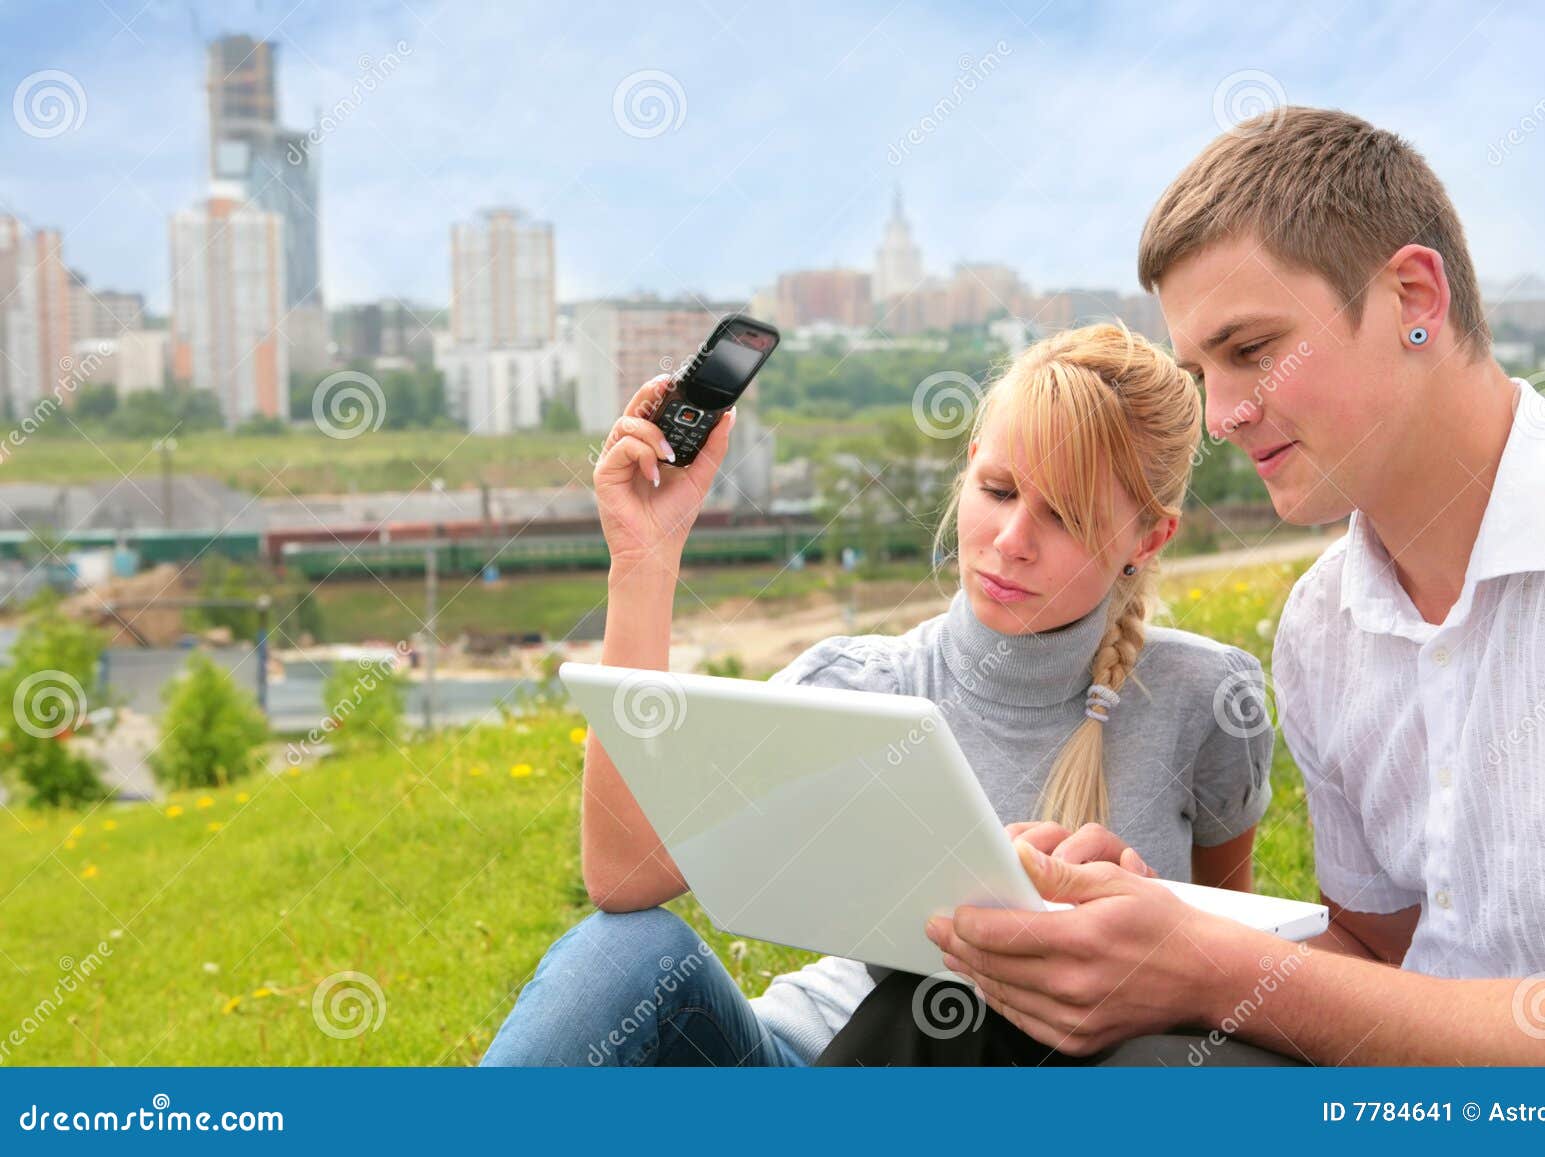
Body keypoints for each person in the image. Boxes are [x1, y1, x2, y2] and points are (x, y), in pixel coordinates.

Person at [883, 107, 1545, 1066]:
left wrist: (1213, 969)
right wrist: (1162, 923)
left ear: (1413, 298)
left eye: (1253, 350)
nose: (1220, 415)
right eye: (1201, 370)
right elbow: (1377, 963)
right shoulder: (1323, 626)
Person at [480, 323, 1279, 1066]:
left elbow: (1224, 982)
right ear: (970, 465)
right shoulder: (858, 686)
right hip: (817, 1062)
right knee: (622, 952)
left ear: (1149, 537)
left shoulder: (1204, 700)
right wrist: (643, 559)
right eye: (999, 489)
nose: (1011, 542)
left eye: (1065, 516)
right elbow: (624, 876)